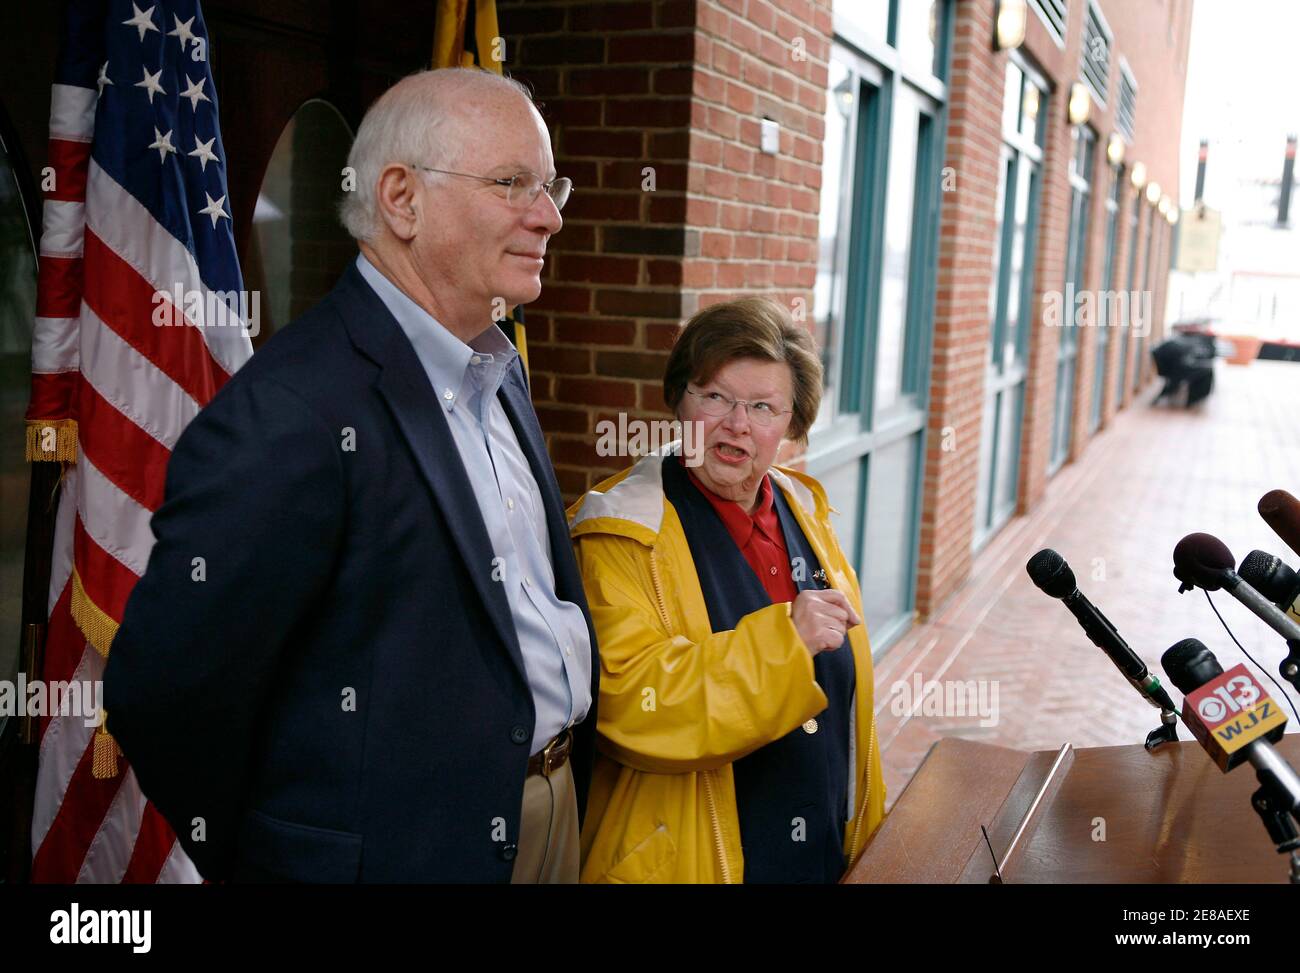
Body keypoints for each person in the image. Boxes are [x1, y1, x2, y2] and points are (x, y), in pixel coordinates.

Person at [103, 68, 597, 883]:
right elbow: (165, 694)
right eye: (512, 183)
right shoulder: (292, 410)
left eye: (550, 187)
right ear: (401, 198)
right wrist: (296, 859)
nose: (547, 215)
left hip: (551, 816)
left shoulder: (498, 368)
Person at [567, 297, 887, 883]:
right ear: (678, 400)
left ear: (791, 425)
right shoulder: (619, 531)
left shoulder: (805, 508)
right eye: (713, 396)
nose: (736, 424)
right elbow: (632, 703)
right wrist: (784, 646)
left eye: (763, 407)